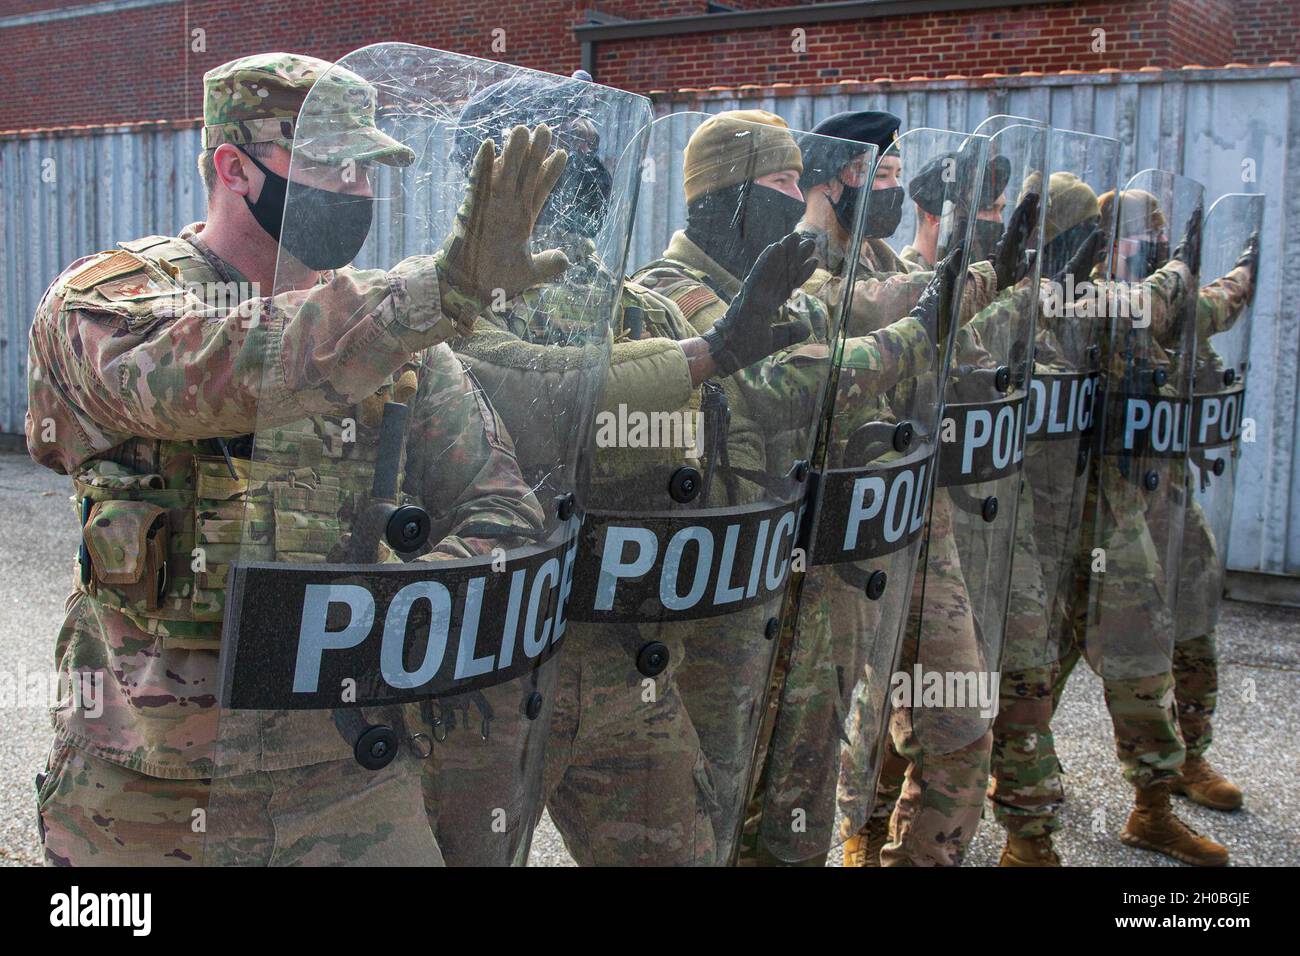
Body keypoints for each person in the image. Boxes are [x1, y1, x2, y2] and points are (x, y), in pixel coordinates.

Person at [26, 52, 552, 866]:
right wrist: (428, 297)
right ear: (233, 167)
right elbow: (193, 373)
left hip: (348, 780)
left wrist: (394, 608)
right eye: (328, 164)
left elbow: (503, 510)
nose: (354, 190)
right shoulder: (112, 298)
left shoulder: (405, 337)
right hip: (145, 789)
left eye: (366, 168)